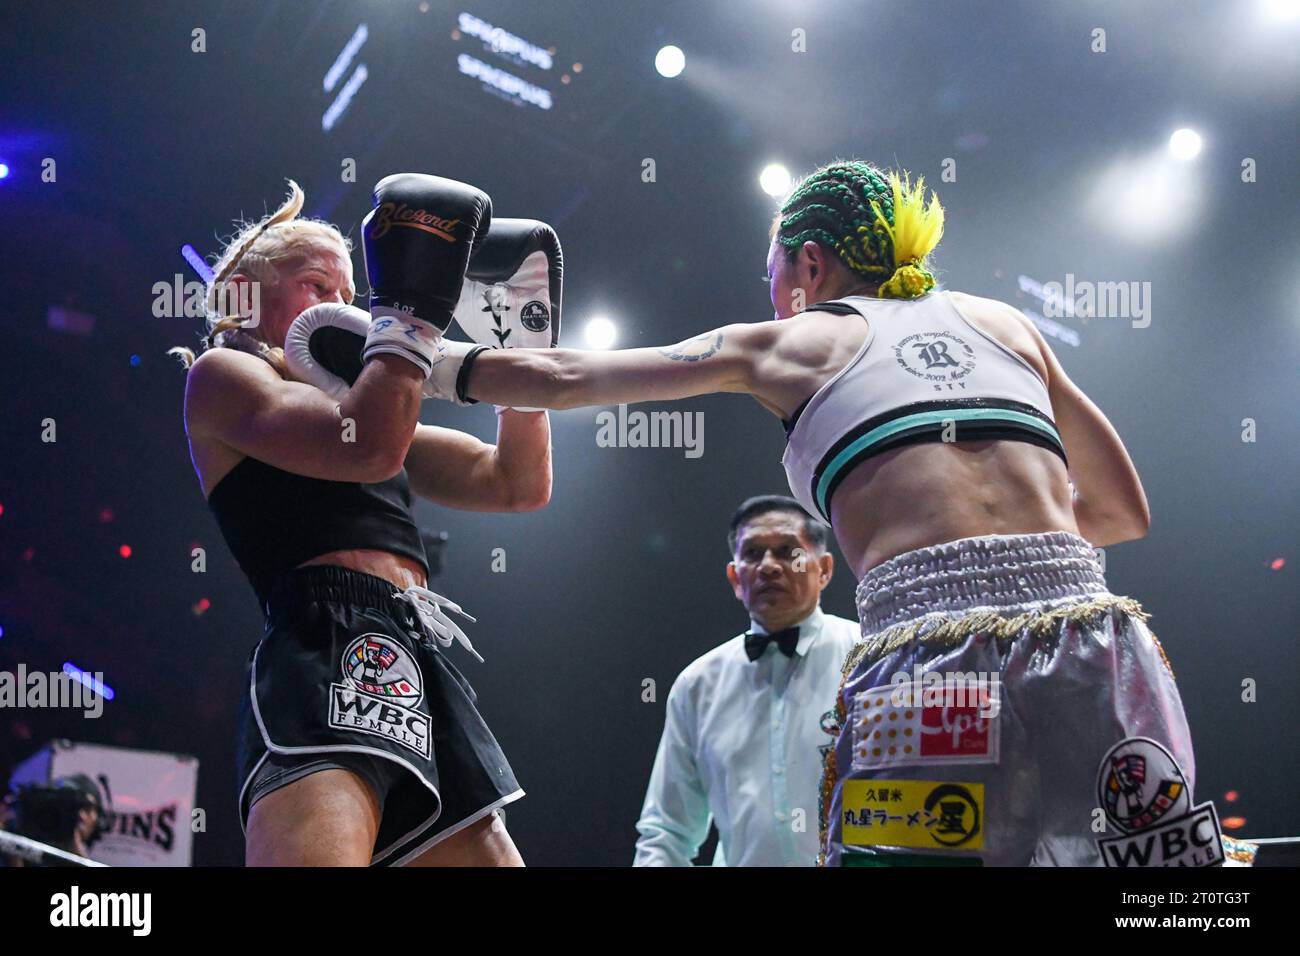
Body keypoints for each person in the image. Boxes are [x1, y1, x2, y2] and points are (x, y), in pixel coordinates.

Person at [430, 160, 1203, 866]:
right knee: (1159, 899)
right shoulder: (1006, 324)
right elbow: (1121, 511)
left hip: (932, 667)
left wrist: (400, 350)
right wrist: (1018, 557)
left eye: (771, 271)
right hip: (1094, 644)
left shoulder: (793, 343)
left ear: (808, 264)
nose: (770, 291)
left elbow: (562, 377)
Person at [170, 174, 554, 866]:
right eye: (318, 288)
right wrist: (411, 311)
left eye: (352, 296)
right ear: (242, 299)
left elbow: (516, 482)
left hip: (416, 650)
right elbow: (366, 444)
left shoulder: (375, 416)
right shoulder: (224, 377)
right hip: (320, 642)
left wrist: (522, 348)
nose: (345, 313)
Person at [634, 495, 858, 866]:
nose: (769, 566)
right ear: (736, 577)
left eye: (788, 551)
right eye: (753, 554)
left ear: (824, 569)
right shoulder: (697, 684)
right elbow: (666, 833)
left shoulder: (868, 658)